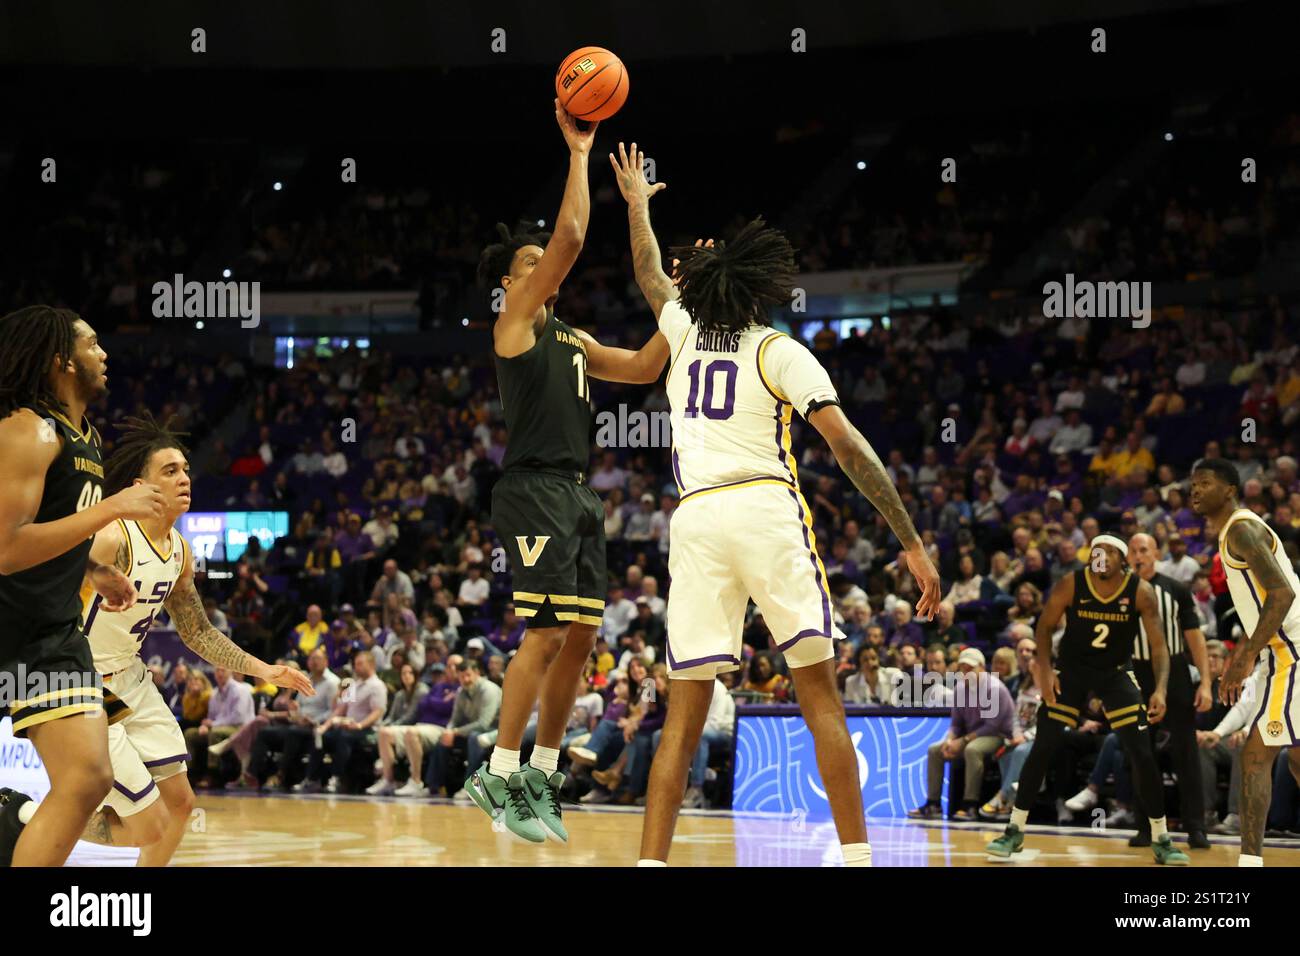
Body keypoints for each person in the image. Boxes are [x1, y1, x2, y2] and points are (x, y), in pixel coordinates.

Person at [609, 144, 940, 868]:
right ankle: (855, 859)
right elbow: (851, 452)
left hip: (694, 518)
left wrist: (638, 203)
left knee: (683, 714)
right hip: (763, 508)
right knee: (819, 694)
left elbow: (646, 272)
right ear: (756, 289)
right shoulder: (778, 350)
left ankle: (650, 864)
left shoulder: (682, 333)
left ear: (698, 291)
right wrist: (910, 541)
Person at [465, 105, 674, 845]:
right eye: (530, 263)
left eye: (538, 264)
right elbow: (574, 236)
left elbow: (651, 364)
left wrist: (682, 300)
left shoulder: (574, 337)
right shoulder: (514, 322)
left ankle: (540, 771)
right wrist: (579, 152)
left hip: (578, 495)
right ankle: (496, 765)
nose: (541, 267)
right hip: (533, 489)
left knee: (583, 633)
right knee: (547, 632)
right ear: (511, 284)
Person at [71, 413, 311, 865]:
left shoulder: (181, 551)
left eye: (185, 469)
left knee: (181, 807)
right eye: (170, 471)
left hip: (132, 680)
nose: (184, 478)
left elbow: (197, 631)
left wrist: (266, 670)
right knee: (148, 822)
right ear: (141, 485)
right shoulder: (113, 536)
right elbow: (55, 577)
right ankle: (31, 818)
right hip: (86, 682)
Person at [0, 306, 168, 867]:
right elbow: (6, 548)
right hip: (19, 629)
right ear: (60, 361)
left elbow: (50, 529)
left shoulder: (84, 437)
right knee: (86, 778)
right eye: (92, 345)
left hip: (51, 627)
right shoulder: (29, 428)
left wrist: (92, 570)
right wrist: (115, 508)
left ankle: (14, 822)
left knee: (89, 779)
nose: (104, 354)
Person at [986, 536, 1190, 865]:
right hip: (1072, 672)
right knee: (1043, 746)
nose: (1101, 556)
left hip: (1115, 673)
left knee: (1141, 752)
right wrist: (1045, 671)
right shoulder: (1071, 584)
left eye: (1109, 551)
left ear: (1122, 560)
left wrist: (1161, 689)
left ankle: (1161, 837)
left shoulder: (1140, 591)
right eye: (1096, 551)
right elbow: (1044, 627)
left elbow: (1158, 647)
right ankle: (1014, 830)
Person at [1190, 458, 1300, 866]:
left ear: (1231, 489)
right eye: (1192, 486)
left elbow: (1282, 593)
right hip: (1283, 649)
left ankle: (1249, 863)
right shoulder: (1233, 532)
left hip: (1292, 649)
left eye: (1204, 483)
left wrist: (1244, 654)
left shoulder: (1242, 528)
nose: (1195, 491)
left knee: (1256, 755)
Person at [1124, 532, 1213, 849]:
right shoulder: (1119, 594)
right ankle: (1147, 827)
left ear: (1156, 554)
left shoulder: (1175, 589)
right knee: (1140, 754)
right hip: (1136, 673)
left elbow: (1195, 639)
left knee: (1185, 752)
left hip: (1174, 671)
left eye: (1143, 549)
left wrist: (1204, 682)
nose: (1138, 555)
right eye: (1133, 550)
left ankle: (1196, 827)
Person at [909, 648, 1014, 820]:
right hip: (971, 735)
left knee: (972, 750)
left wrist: (962, 741)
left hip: (999, 736)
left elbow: (991, 727)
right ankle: (933, 804)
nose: (966, 673)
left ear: (981, 667)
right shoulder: (959, 689)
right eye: (962, 668)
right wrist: (950, 740)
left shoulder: (995, 688)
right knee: (935, 749)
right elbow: (956, 724)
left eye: (970, 668)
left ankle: (970, 805)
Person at [295, 651, 387, 794]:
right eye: (355, 664)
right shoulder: (354, 685)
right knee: (321, 736)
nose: (356, 667)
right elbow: (340, 709)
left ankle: (336, 778)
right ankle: (313, 779)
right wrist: (324, 726)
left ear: (372, 665)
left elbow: (378, 712)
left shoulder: (377, 686)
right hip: (347, 727)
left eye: (360, 664)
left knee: (344, 737)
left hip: (367, 730)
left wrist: (360, 725)